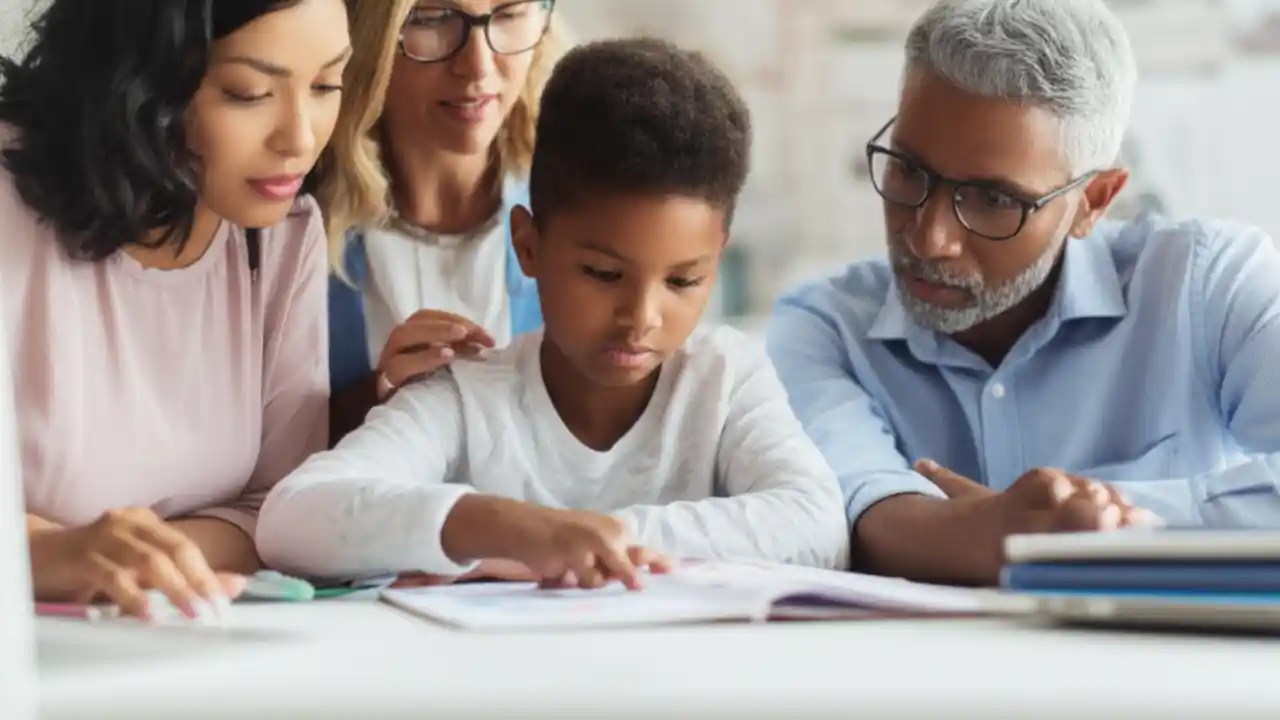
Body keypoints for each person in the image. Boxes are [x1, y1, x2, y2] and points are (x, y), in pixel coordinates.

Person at [257, 38, 849, 588]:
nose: (641, 316)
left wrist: (587, 536)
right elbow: (292, 520)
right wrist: (511, 529)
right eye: (604, 274)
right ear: (529, 246)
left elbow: (818, 526)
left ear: (718, 259)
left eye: (683, 280)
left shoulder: (726, 378)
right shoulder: (465, 394)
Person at [768, 0, 1280, 586]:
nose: (929, 238)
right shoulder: (820, 325)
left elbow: (917, 532)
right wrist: (1006, 527)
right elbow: (849, 518)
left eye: (993, 200)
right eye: (909, 172)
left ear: (1094, 202)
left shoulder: (1210, 281)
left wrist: (1084, 516)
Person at [0, 0, 350, 620]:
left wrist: (140, 563)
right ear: (139, 82)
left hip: (179, 644)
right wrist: (45, 553)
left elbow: (282, 510)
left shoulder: (283, 235)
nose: (300, 137)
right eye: (248, 93)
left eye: (326, 85)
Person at [319, 0, 562, 442]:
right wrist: (380, 398)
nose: (477, 66)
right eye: (432, 19)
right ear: (371, 34)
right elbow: (266, 463)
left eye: (509, 15)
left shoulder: (576, 209)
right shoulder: (292, 226)